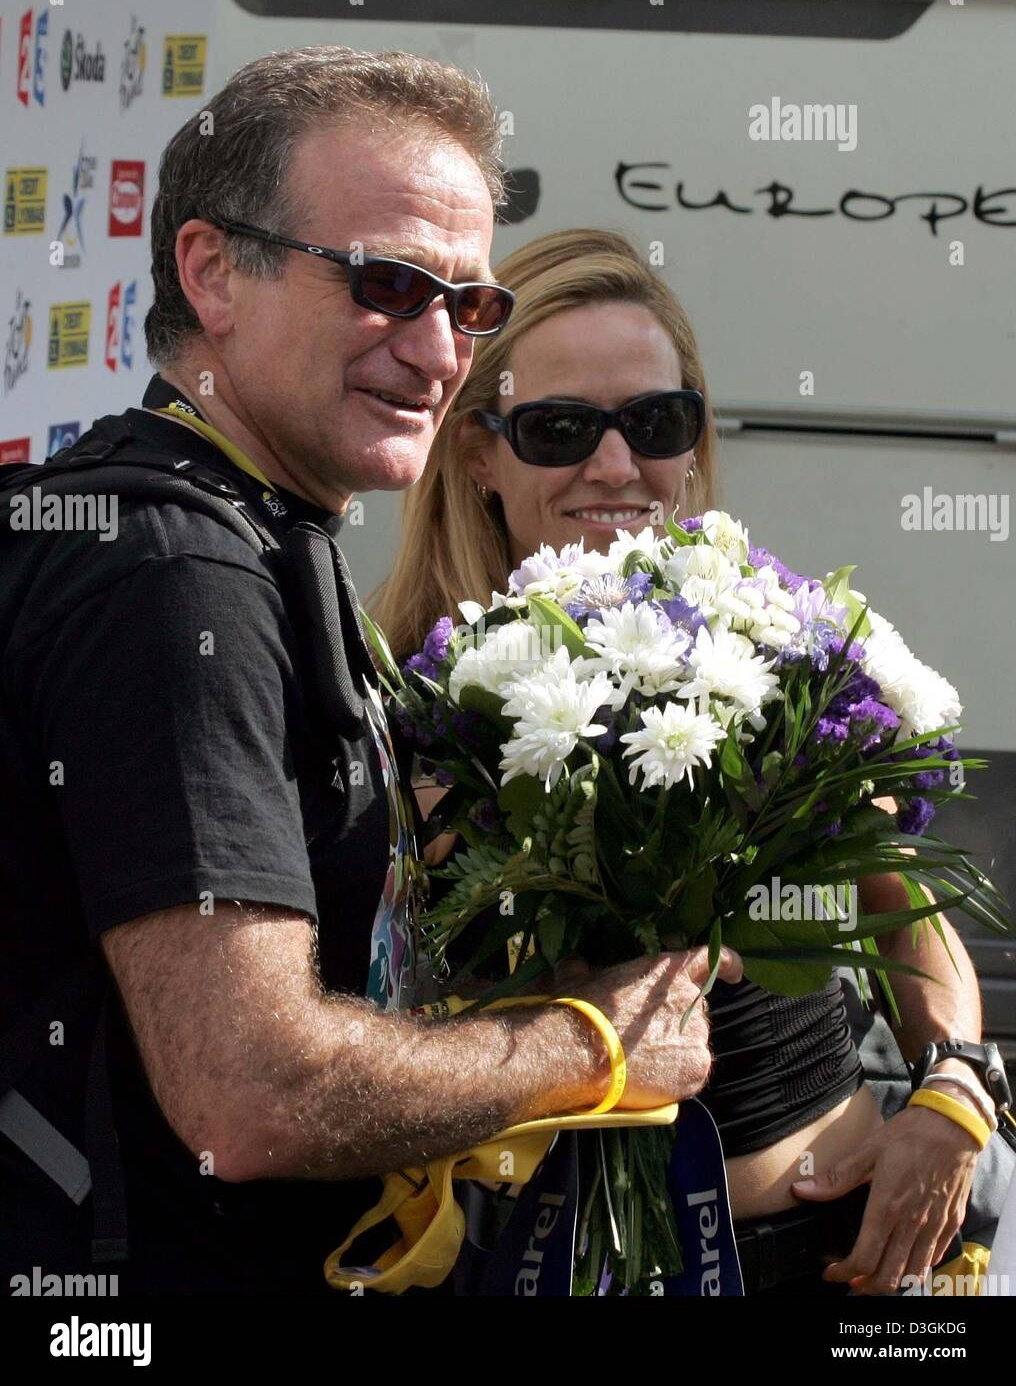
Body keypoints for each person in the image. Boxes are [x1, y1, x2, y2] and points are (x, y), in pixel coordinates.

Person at [0, 52, 736, 1297]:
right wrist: (593, 1041)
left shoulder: (251, 532)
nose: (437, 349)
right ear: (211, 270)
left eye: (470, 305)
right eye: (388, 285)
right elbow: (252, 1092)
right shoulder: (173, 572)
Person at [371, 227, 1006, 1296]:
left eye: (654, 423)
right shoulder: (408, 711)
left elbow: (902, 908)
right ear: (476, 449)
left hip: (853, 1261)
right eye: (559, 427)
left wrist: (952, 1089)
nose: (614, 467)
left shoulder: (768, 653)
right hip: (553, 1268)